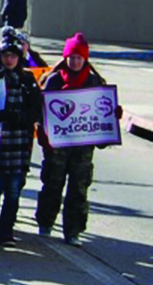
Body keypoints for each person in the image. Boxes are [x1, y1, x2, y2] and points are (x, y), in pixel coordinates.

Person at [35, 33, 121, 246]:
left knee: (78, 187)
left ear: (85, 59)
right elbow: (41, 111)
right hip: (57, 146)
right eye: (71, 57)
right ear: (65, 58)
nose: (74, 62)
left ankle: (73, 230)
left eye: (79, 58)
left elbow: (100, 116)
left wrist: (111, 115)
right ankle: (45, 222)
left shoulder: (94, 82)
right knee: (52, 183)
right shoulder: (53, 81)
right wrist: (44, 135)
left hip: (82, 147)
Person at [0, 33, 43, 247]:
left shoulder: (28, 80)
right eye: (5, 55)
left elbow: (35, 111)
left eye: (13, 56)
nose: (9, 60)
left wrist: (15, 117)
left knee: (13, 192)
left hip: (19, 146)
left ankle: (6, 228)